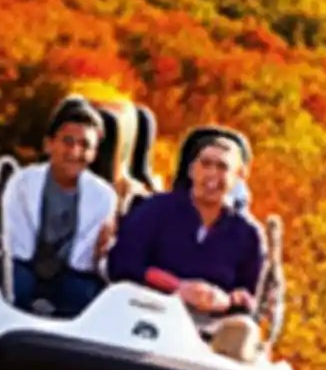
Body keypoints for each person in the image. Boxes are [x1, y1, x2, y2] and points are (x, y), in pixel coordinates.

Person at [106, 134, 265, 350]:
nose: (212, 174)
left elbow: (248, 298)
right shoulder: (154, 210)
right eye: (205, 164)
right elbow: (121, 264)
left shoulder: (248, 235)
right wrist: (178, 287)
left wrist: (224, 300)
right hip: (146, 310)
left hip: (209, 331)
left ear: (238, 177)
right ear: (191, 170)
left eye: (222, 167)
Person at [0, 96, 119, 318]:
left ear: (94, 153)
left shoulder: (104, 196)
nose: (75, 152)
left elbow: (92, 256)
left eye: (85, 145)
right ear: (49, 144)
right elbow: (12, 241)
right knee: (14, 287)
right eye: (68, 141)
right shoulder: (22, 183)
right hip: (26, 264)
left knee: (81, 295)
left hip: (72, 273)